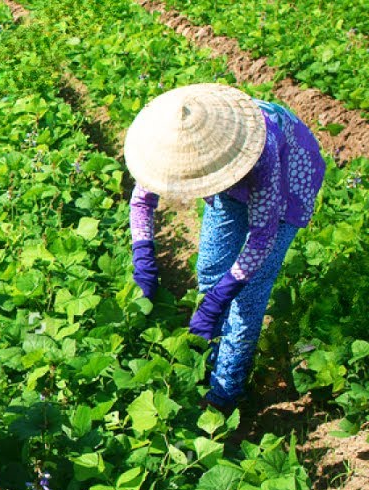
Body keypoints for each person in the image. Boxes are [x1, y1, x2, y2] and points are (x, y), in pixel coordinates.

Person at [124, 83, 325, 411]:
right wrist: (143, 257)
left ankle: (225, 394)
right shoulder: (169, 139)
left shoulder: (260, 154)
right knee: (211, 268)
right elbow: (141, 201)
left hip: (288, 178)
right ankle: (205, 361)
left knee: (248, 296)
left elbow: (262, 236)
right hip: (230, 176)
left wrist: (221, 298)